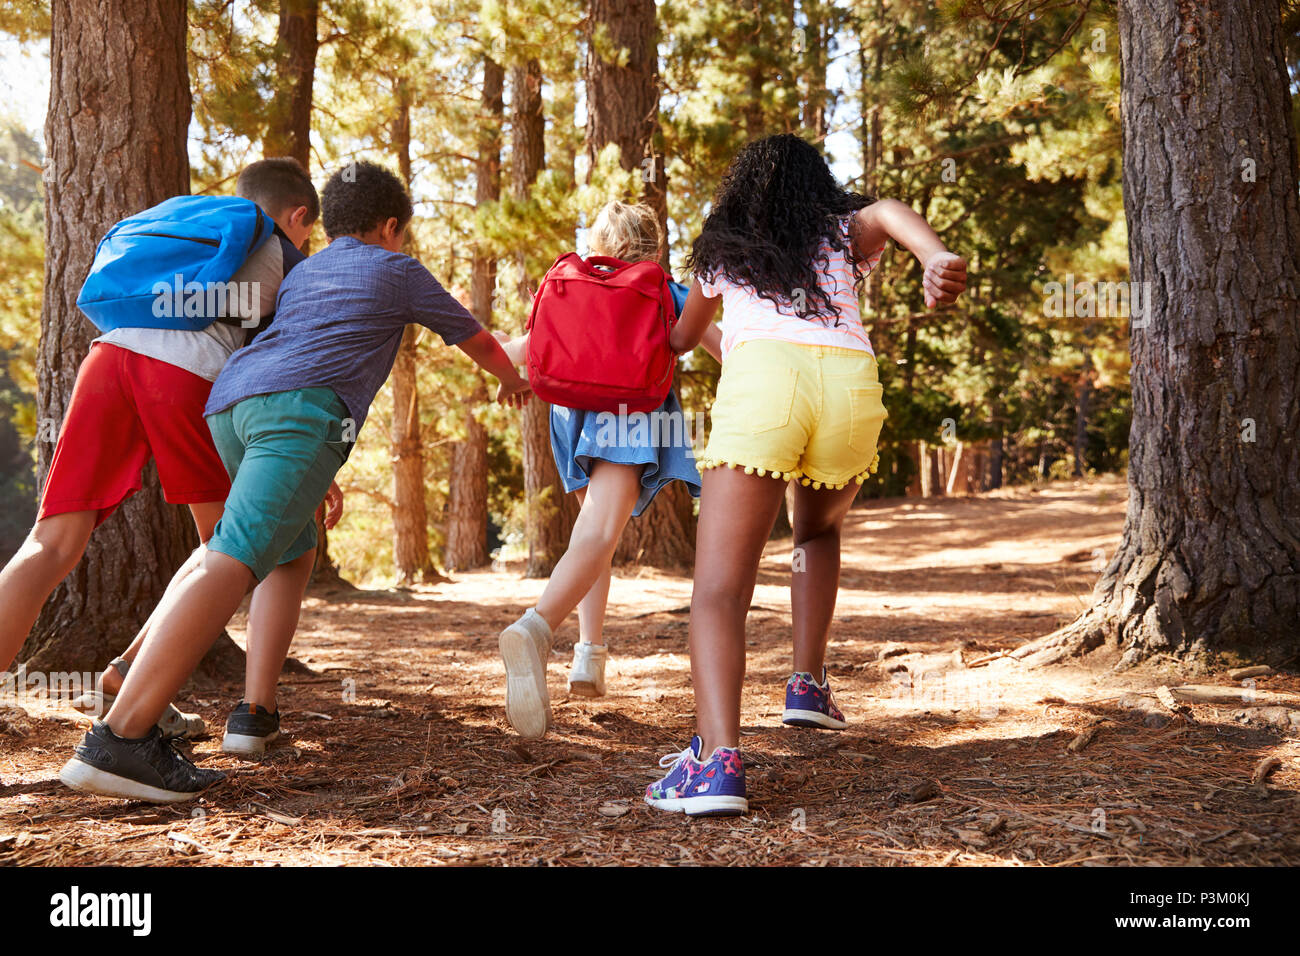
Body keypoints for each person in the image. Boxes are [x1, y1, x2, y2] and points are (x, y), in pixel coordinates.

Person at [57, 160, 530, 802]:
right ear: (391, 226)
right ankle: (121, 736)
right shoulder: (398, 269)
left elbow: (286, 338)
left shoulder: (301, 269)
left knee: (291, 549)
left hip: (231, 404)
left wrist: (314, 470)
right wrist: (512, 378)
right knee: (234, 556)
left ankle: (255, 716)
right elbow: (472, 336)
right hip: (300, 414)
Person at [644, 134, 968, 815]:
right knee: (814, 533)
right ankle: (807, 685)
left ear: (739, 194)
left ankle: (715, 764)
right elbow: (885, 212)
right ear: (814, 187)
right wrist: (933, 254)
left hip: (767, 385)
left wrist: (701, 327)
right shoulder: (837, 233)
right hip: (849, 386)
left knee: (719, 592)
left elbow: (679, 338)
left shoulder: (722, 249)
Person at [0, 157, 325, 745]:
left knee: (49, 544)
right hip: (185, 372)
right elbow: (282, 370)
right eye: (307, 230)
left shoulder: (186, 220)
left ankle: (126, 678)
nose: (303, 241)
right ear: (297, 215)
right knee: (224, 553)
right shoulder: (284, 255)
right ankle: (135, 697)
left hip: (108, 358)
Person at [493, 201, 701, 739]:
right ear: (654, 248)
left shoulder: (576, 287)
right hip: (626, 417)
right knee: (602, 533)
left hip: (570, 418)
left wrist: (504, 375)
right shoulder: (660, 286)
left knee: (593, 538)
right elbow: (719, 343)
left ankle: (590, 654)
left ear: (600, 244)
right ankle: (535, 630)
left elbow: (514, 348)